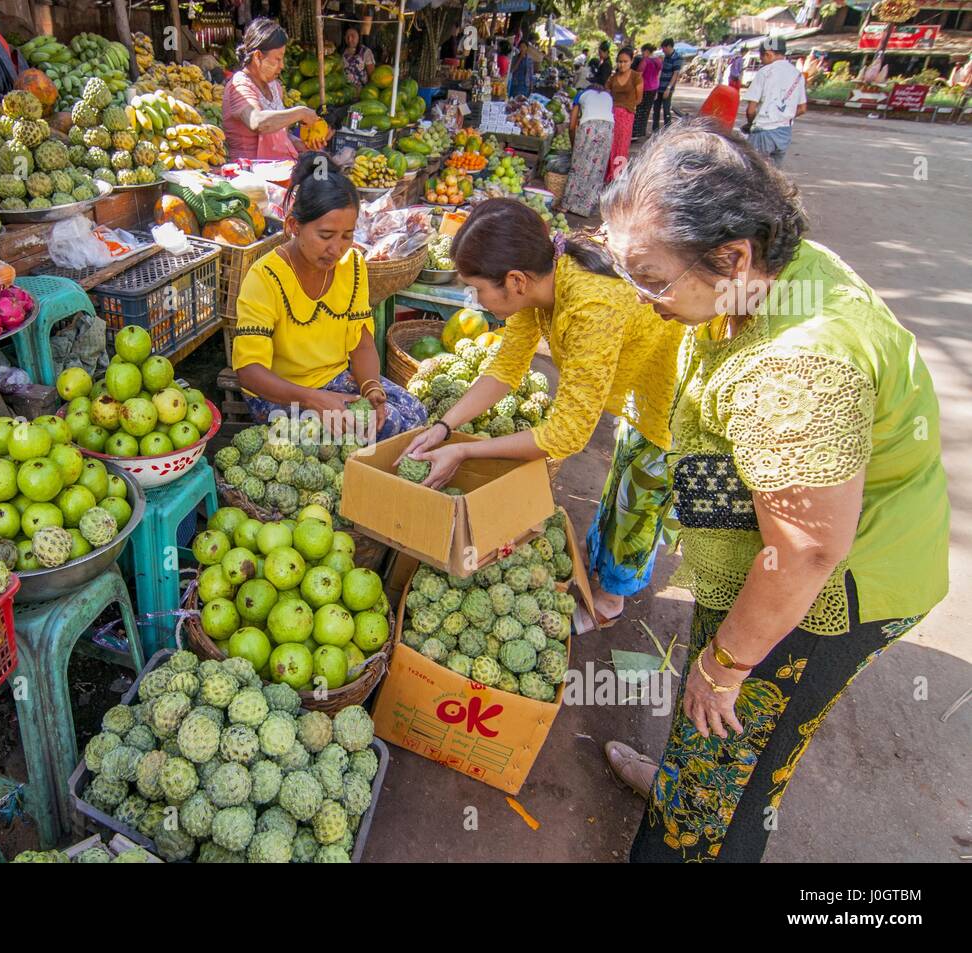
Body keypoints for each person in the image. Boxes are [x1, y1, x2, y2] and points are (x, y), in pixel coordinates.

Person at [597, 121, 949, 863]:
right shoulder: (765, 277)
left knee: (735, 761)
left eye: (653, 280)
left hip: (825, 590)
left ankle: (686, 834)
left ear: (732, 255)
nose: (641, 299)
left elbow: (807, 549)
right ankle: (682, 780)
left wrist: (727, 665)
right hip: (777, 567)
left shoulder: (796, 367)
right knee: (712, 723)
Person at [402, 199, 685, 628]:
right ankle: (602, 559)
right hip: (630, 377)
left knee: (642, 492)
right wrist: (445, 427)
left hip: (665, 388)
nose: (474, 300)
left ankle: (611, 600)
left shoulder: (592, 306)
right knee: (623, 477)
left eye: (478, 289)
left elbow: (566, 436)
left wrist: (464, 453)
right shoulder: (539, 281)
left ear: (514, 280)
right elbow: (505, 369)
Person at [233, 153, 427, 441]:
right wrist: (312, 398)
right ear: (294, 226)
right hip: (281, 393)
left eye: (347, 235)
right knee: (374, 431)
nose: (337, 248)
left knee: (415, 415)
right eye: (326, 235)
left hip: (334, 379)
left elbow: (361, 344)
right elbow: (249, 372)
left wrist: (371, 388)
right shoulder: (265, 277)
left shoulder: (353, 266)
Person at [222, 18, 319, 162]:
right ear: (258, 57)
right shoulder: (239, 86)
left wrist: (302, 144)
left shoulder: (275, 87)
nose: (282, 66)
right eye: (278, 59)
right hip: (249, 175)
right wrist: (301, 112)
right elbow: (258, 122)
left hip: (278, 171)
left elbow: (279, 135)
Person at [741, 36, 806, 168]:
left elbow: (751, 110)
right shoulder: (798, 75)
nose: (762, 61)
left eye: (762, 58)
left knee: (752, 173)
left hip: (763, 132)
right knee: (773, 177)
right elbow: (802, 109)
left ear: (769, 54)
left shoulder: (765, 72)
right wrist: (781, 117)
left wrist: (750, 124)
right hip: (784, 133)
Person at [559, 80, 614, 217]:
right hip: (608, 129)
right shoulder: (609, 97)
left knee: (578, 165)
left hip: (590, 126)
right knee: (598, 168)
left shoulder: (581, 95)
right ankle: (586, 208)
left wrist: (574, 146)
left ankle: (566, 205)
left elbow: (572, 125)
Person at [605, 47, 641, 182]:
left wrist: (626, 107)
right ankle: (608, 175)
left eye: (625, 61)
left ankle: (618, 177)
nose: (622, 64)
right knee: (610, 145)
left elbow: (639, 98)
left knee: (621, 146)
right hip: (611, 115)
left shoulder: (636, 77)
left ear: (631, 61)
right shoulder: (612, 78)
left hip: (626, 116)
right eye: (619, 61)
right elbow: (606, 94)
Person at [654, 38, 683, 130]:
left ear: (669, 47)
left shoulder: (677, 58)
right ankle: (655, 129)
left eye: (664, 48)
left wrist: (668, 88)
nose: (663, 50)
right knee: (656, 109)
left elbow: (675, 74)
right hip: (659, 87)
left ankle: (667, 130)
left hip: (667, 88)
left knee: (666, 109)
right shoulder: (665, 57)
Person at [633, 43, 660, 138]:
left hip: (644, 88)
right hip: (654, 87)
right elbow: (658, 74)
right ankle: (641, 131)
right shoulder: (658, 60)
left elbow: (638, 74)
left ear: (647, 51)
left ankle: (635, 133)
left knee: (639, 110)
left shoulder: (645, 61)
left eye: (643, 51)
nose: (642, 54)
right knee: (646, 111)